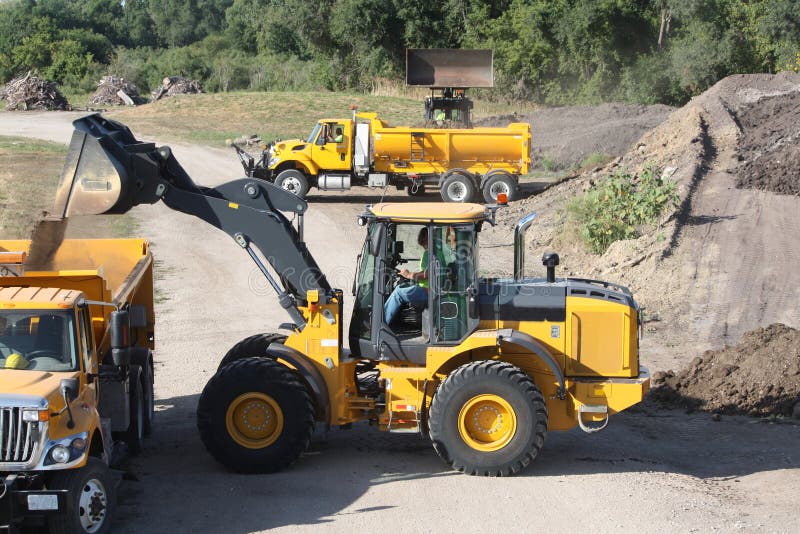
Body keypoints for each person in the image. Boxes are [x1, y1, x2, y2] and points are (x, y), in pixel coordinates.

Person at [384, 228, 432, 325]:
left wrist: (409, 275)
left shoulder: (430, 254)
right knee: (402, 287)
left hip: (428, 291)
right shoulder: (436, 252)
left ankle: (382, 323)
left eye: (424, 243)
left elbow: (428, 274)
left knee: (398, 292)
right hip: (429, 289)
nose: (424, 246)